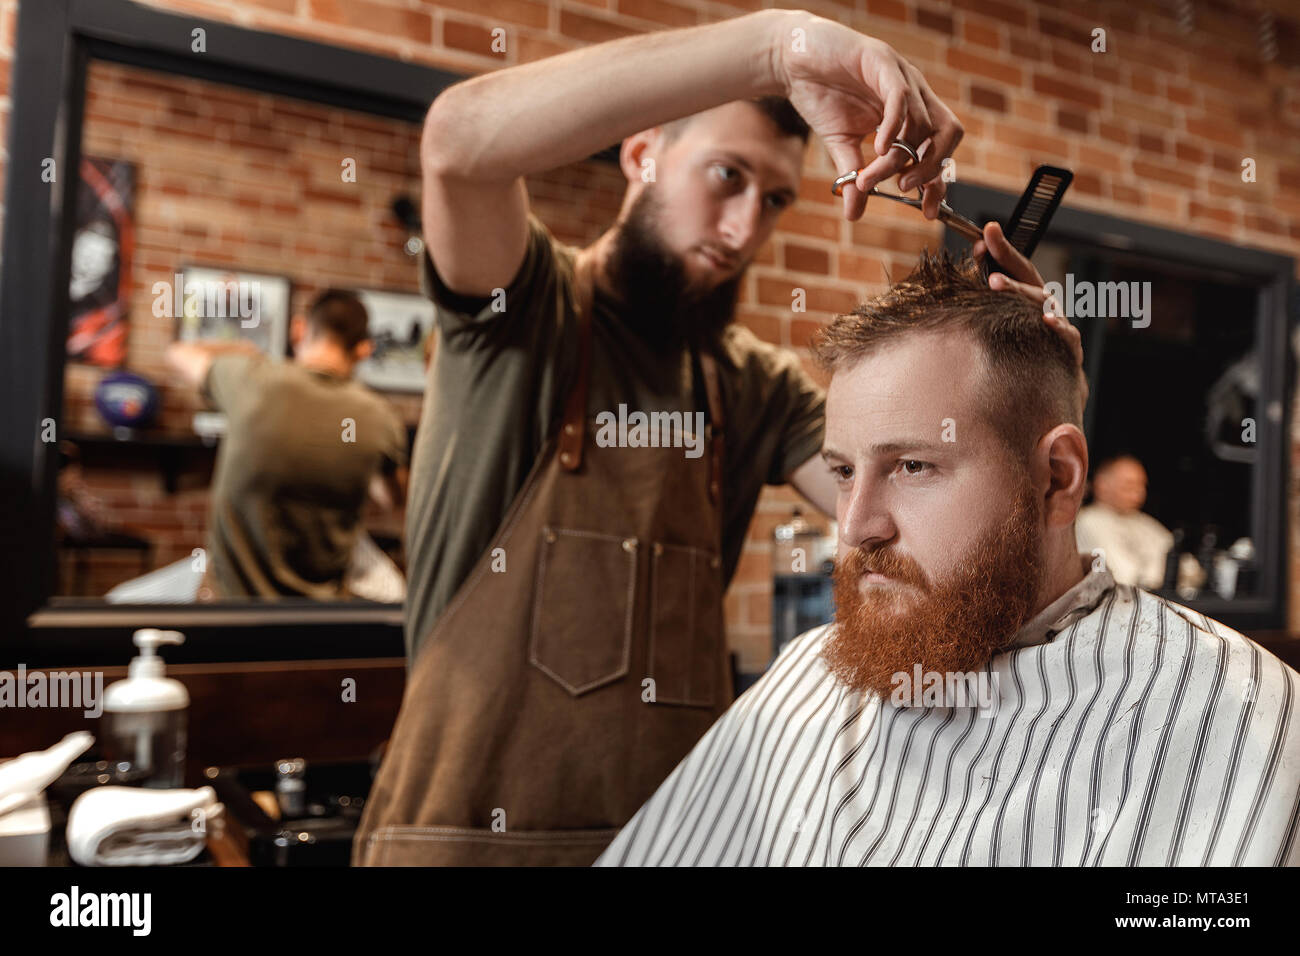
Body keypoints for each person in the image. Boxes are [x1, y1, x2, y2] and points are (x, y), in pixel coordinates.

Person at [352, 9, 1079, 866]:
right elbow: (457, 143)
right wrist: (780, 50)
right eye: (725, 178)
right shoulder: (523, 314)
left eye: (772, 200)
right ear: (641, 155)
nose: (743, 231)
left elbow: (915, 517)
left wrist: (1022, 392)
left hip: (677, 843)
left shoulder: (745, 385)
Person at [595, 250, 1300, 867]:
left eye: (911, 466)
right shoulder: (805, 680)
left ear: (1055, 478)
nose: (856, 525)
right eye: (843, 472)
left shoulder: (1239, 717)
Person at [165, 289, 409, 600]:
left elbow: (177, 352)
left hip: (227, 613)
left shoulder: (250, 379)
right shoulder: (381, 418)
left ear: (298, 329)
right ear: (364, 349)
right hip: (317, 619)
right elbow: (393, 498)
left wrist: (241, 348)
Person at [1075, 454, 1175, 589]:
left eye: (1142, 486)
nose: (1139, 493)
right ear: (1102, 485)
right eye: (1129, 485)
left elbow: (1186, 567)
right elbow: (1123, 576)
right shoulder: (1090, 521)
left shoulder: (1144, 522)